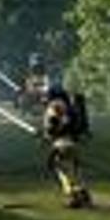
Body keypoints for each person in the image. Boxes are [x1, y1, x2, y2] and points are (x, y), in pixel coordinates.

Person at [41, 81, 93, 209]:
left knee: (62, 170)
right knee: (75, 169)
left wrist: (47, 133)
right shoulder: (68, 105)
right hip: (72, 142)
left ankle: (74, 196)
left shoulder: (55, 106)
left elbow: (55, 126)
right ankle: (84, 194)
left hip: (63, 144)